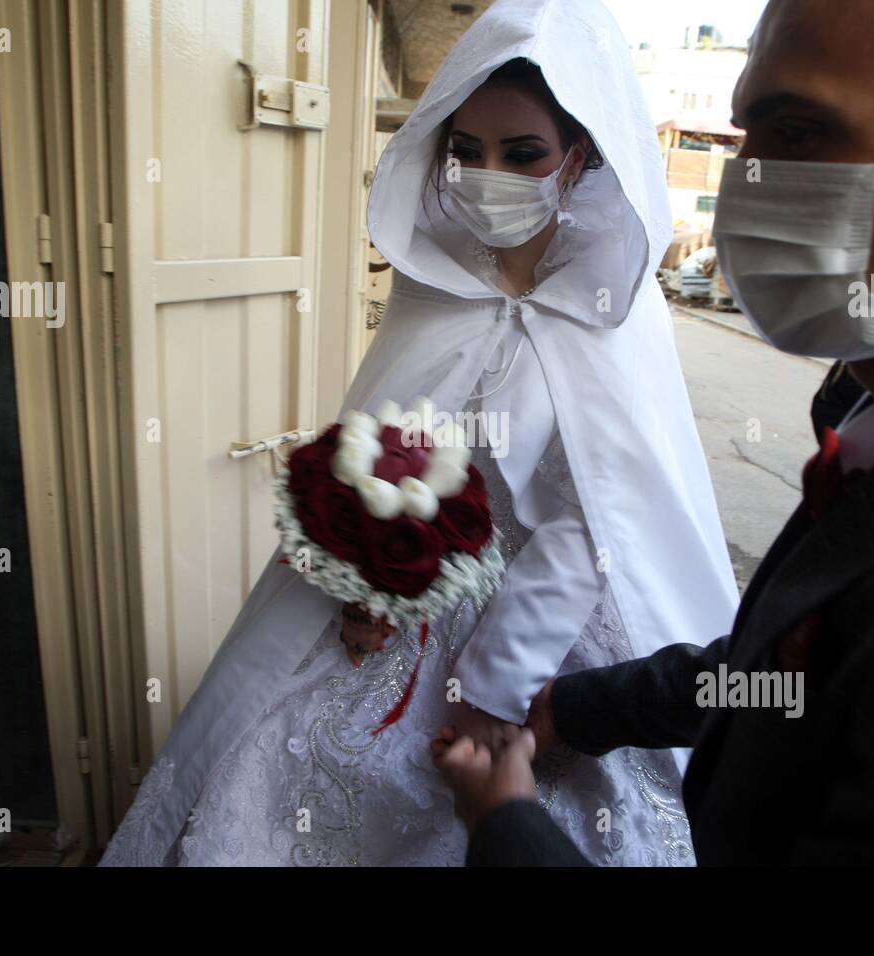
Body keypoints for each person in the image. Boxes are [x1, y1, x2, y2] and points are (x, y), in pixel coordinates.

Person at [434, 0, 874, 866]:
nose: (744, 191)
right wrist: (581, 709)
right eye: (747, 134)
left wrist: (506, 826)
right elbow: (803, 667)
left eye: (798, 131)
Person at [99, 0, 737, 866]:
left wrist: (499, 689)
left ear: (577, 156)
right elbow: (386, 446)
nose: (487, 174)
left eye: (523, 154)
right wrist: (365, 579)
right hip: (408, 601)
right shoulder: (433, 285)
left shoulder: (617, 314)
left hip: (553, 631)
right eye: (466, 150)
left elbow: (594, 529)